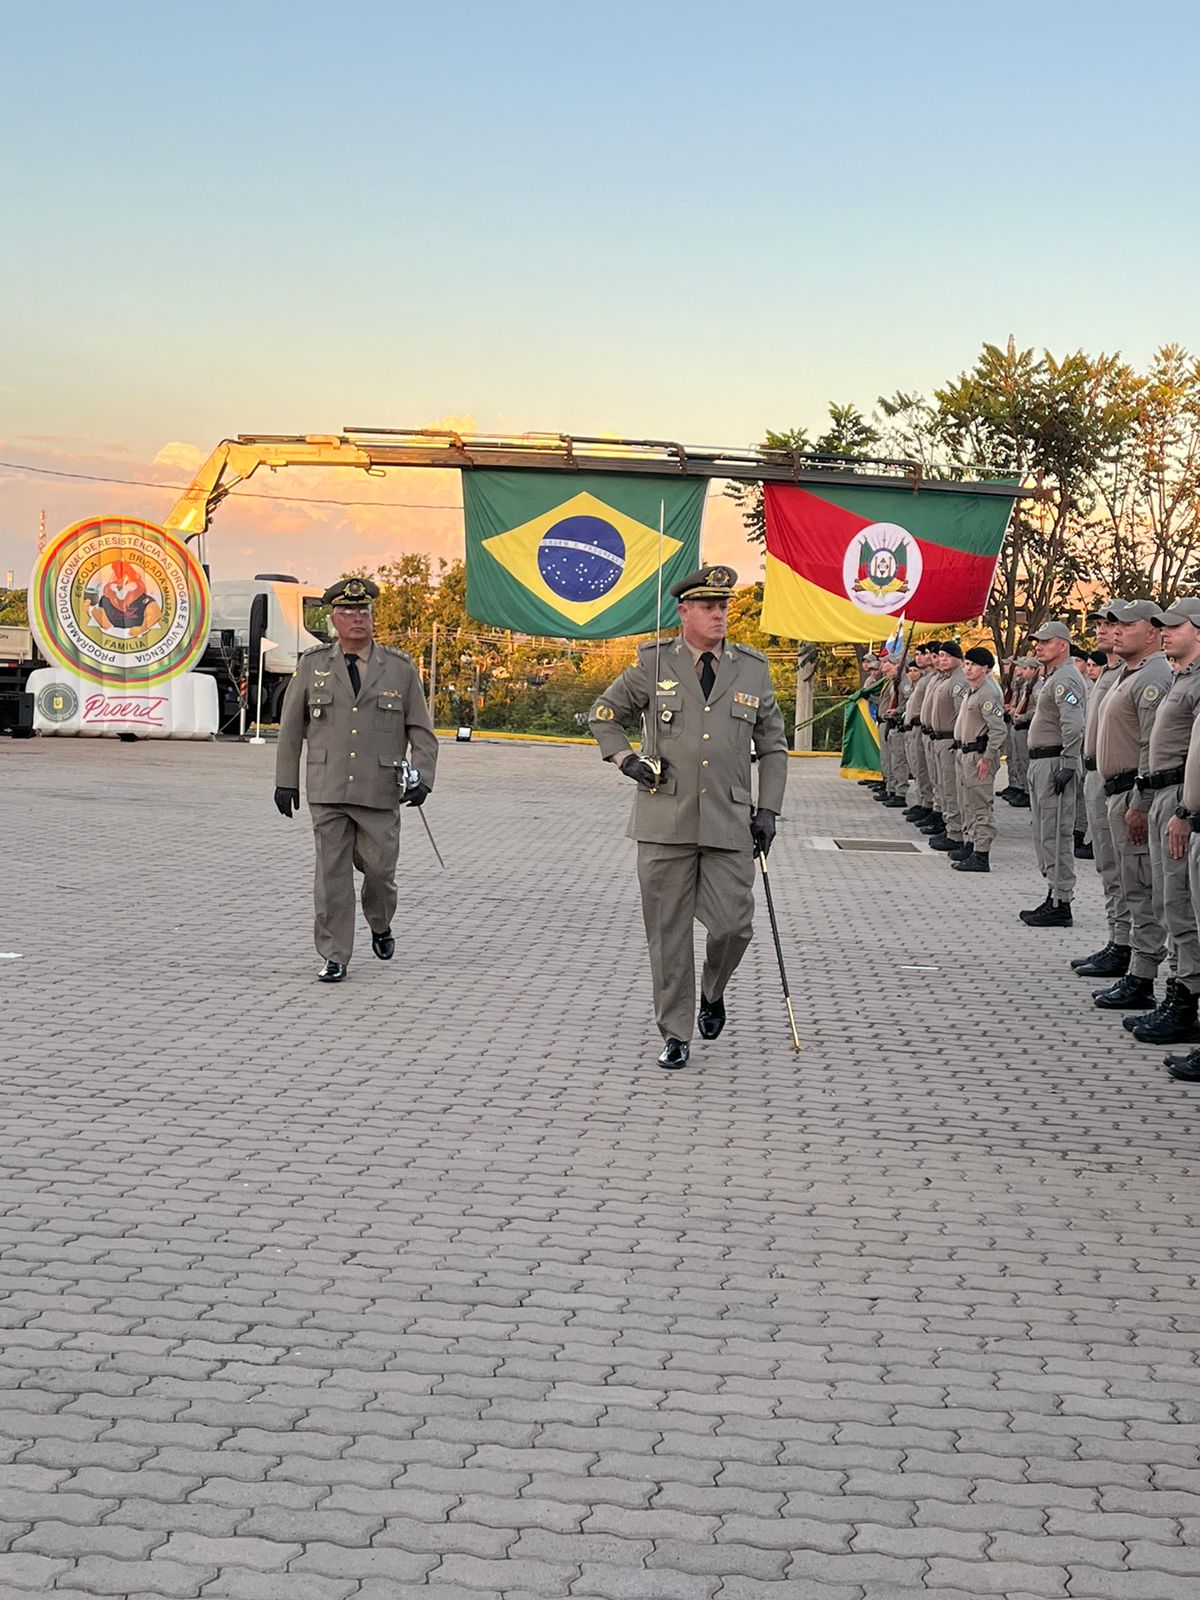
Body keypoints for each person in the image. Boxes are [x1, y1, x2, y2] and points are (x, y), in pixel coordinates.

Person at [587, 564, 788, 1069]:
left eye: (722, 607)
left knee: (733, 924)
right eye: (707, 607)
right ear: (684, 612)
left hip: (729, 819)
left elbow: (774, 746)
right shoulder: (654, 663)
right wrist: (626, 759)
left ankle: (713, 991)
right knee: (669, 932)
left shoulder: (752, 668)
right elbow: (604, 714)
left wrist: (768, 810)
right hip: (664, 819)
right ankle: (675, 1031)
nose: (718, 615)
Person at [274, 576, 438, 982]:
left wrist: (424, 777)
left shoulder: (398, 669)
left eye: (363, 611)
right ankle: (335, 954)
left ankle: (380, 922)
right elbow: (291, 728)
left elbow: (421, 731)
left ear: (372, 617)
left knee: (380, 871)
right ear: (333, 619)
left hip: (379, 790)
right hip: (328, 787)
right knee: (331, 874)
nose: (356, 619)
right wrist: (285, 781)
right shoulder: (313, 666)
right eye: (347, 612)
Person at [1118, 598, 1200, 1043]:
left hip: (1181, 800)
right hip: (1165, 795)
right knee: (1170, 899)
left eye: (1174, 626)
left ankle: (1185, 999)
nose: (1164, 632)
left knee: (1182, 904)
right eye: (1162, 627)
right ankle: (1179, 991)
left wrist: (1186, 809)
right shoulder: (1179, 678)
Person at [1091, 600, 1173, 1010]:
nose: (1116, 630)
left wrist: (1140, 802)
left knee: (1142, 887)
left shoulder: (1154, 676)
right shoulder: (1129, 673)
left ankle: (1143, 976)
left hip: (1133, 793)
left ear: (1153, 632)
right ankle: (1135, 967)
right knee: (1127, 881)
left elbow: (1150, 747)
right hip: (1117, 791)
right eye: (1113, 625)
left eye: (1126, 624)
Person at [1071, 608, 1130, 977]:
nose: (1103, 631)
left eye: (1113, 625)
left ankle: (1127, 950)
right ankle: (1117, 940)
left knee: (1127, 874)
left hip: (1121, 784)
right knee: (1109, 868)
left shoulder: (1137, 675)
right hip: (1097, 776)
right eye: (1100, 625)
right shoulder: (1111, 673)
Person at [1019, 622, 1086, 927]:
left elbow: (1073, 725)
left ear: (1062, 645)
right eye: (1037, 642)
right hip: (1041, 763)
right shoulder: (1054, 678)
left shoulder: (1066, 679)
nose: (1038, 647)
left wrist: (1068, 763)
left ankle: (1061, 902)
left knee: (1055, 832)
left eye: (1045, 642)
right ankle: (1053, 894)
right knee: (1044, 832)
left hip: (1053, 763)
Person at [950, 646, 1007, 872]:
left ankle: (981, 853)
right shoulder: (973, 689)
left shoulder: (988, 692)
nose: (968, 668)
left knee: (980, 805)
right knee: (968, 803)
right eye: (966, 664)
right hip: (965, 753)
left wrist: (988, 758)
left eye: (973, 665)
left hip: (978, 756)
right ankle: (972, 843)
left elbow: (998, 730)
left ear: (985, 668)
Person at [923, 641, 969, 852]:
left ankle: (956, 833)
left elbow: (962, 714)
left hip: (950, 740)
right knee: (942, 785)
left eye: (947, 656)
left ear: (958, 659)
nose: (942, 659)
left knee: (951, 788)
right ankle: (949, 826)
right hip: (938, 739)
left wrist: (958, 742)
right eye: (940, 656)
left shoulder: (958, 681)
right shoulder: (946, 679)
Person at [903, 643, 937, 825]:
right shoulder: (925, 679)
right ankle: (924, 802)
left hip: (926, 730)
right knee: (919, 769)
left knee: (928, 772)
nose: (921, 658)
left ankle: (930, 805)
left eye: (924, 654)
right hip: (915, 729)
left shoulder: (934, 678)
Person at [1002, 658, 1037, 807]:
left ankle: (1027, 791)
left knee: (1024, 761)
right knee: (1016, 759)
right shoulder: (1023, 684)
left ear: (1035, 670)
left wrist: (1022, 716)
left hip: (1025, 726)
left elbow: (1037, 708)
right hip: (1017, 725)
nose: (1018, 669)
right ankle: (1020, 788)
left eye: (1025, 668)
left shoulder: (1036, 686)